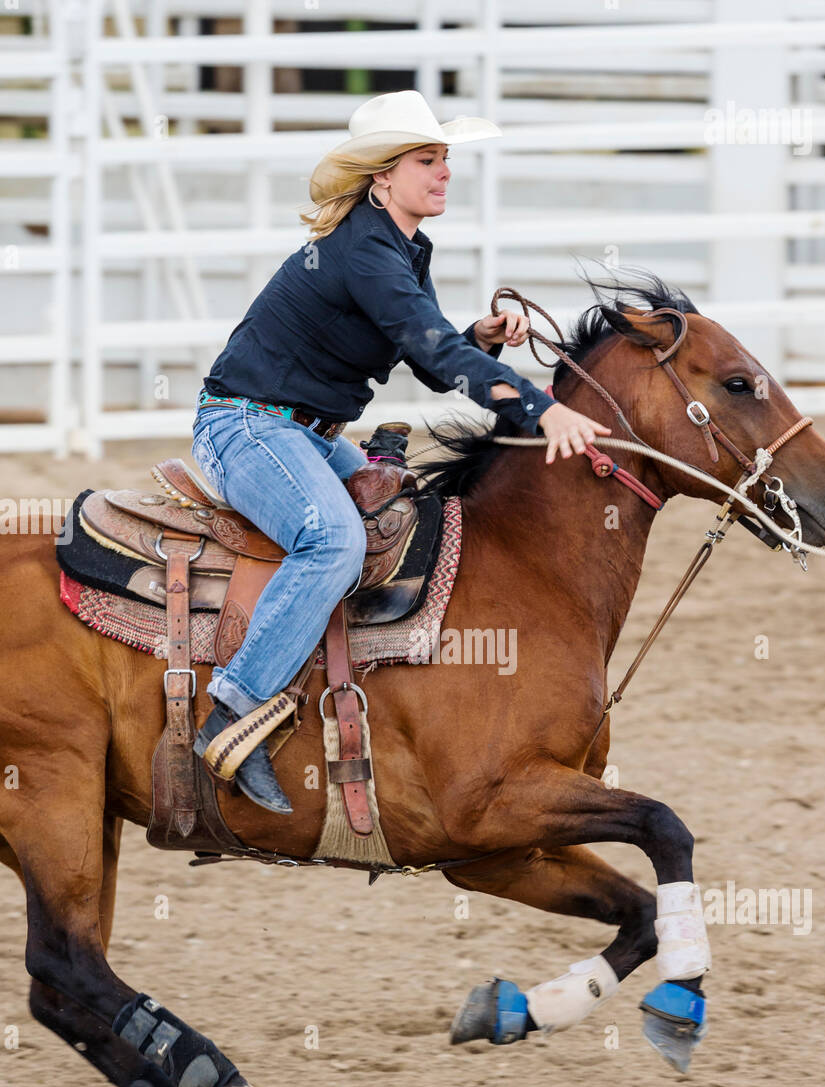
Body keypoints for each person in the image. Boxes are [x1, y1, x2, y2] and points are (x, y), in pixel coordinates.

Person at [190, 88, 609, 814]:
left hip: (303, 435)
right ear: (384, 175)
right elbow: (429, 349)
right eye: (427, 159)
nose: (443, 172)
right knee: (331, 540)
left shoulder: (394, 244)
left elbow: (428, 345)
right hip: (247, 427)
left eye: (445, 159)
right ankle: (233, 709)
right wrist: (539, 407)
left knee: (412, 515)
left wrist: (476, 339)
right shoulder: (367, 249)